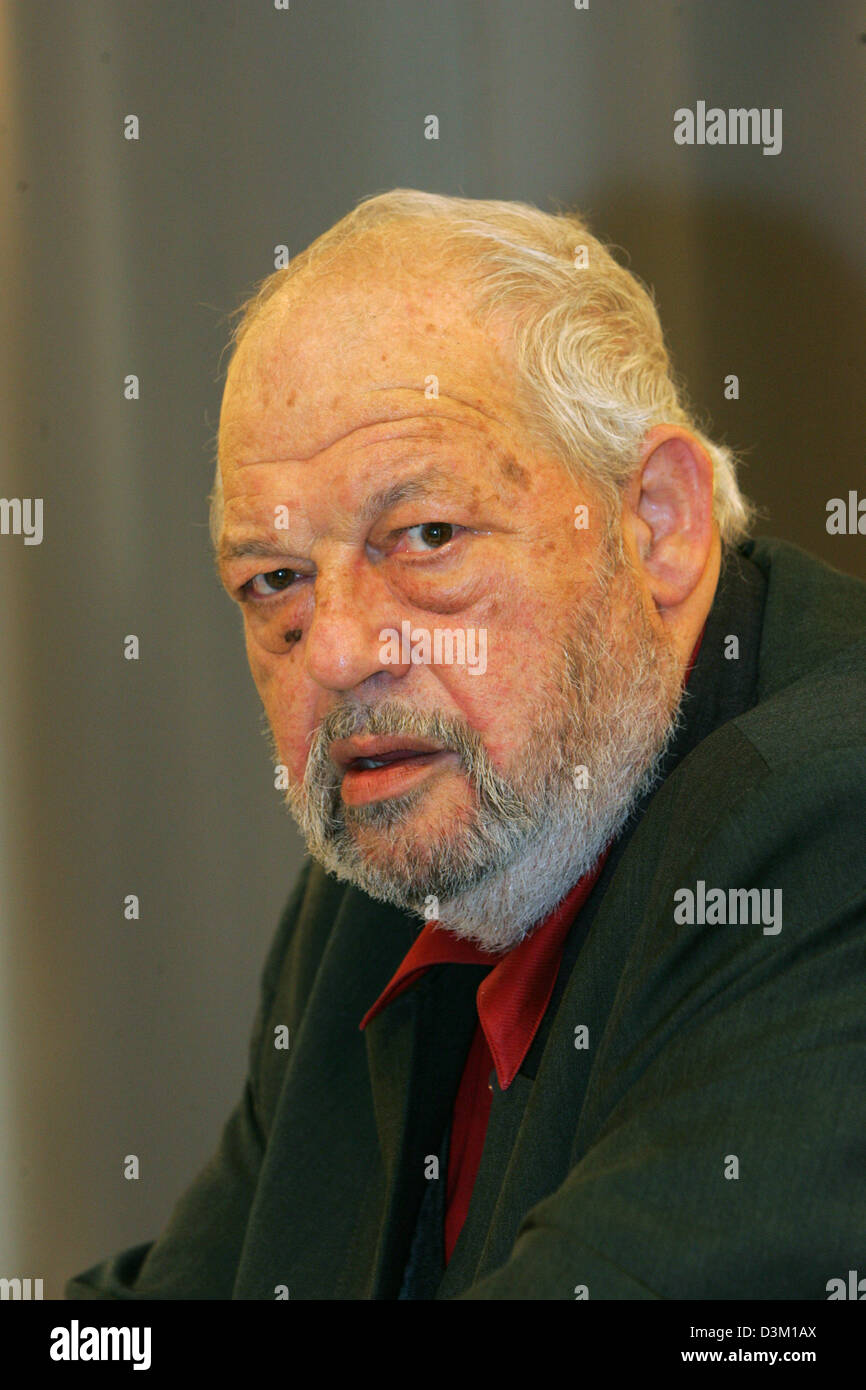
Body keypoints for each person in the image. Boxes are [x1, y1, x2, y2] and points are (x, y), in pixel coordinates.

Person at [66, 190, 866, 1300]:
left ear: (656, 525)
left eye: (426, 536)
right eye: (275, 581)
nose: (337, 651)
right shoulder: (387, 875)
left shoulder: (833, 822)